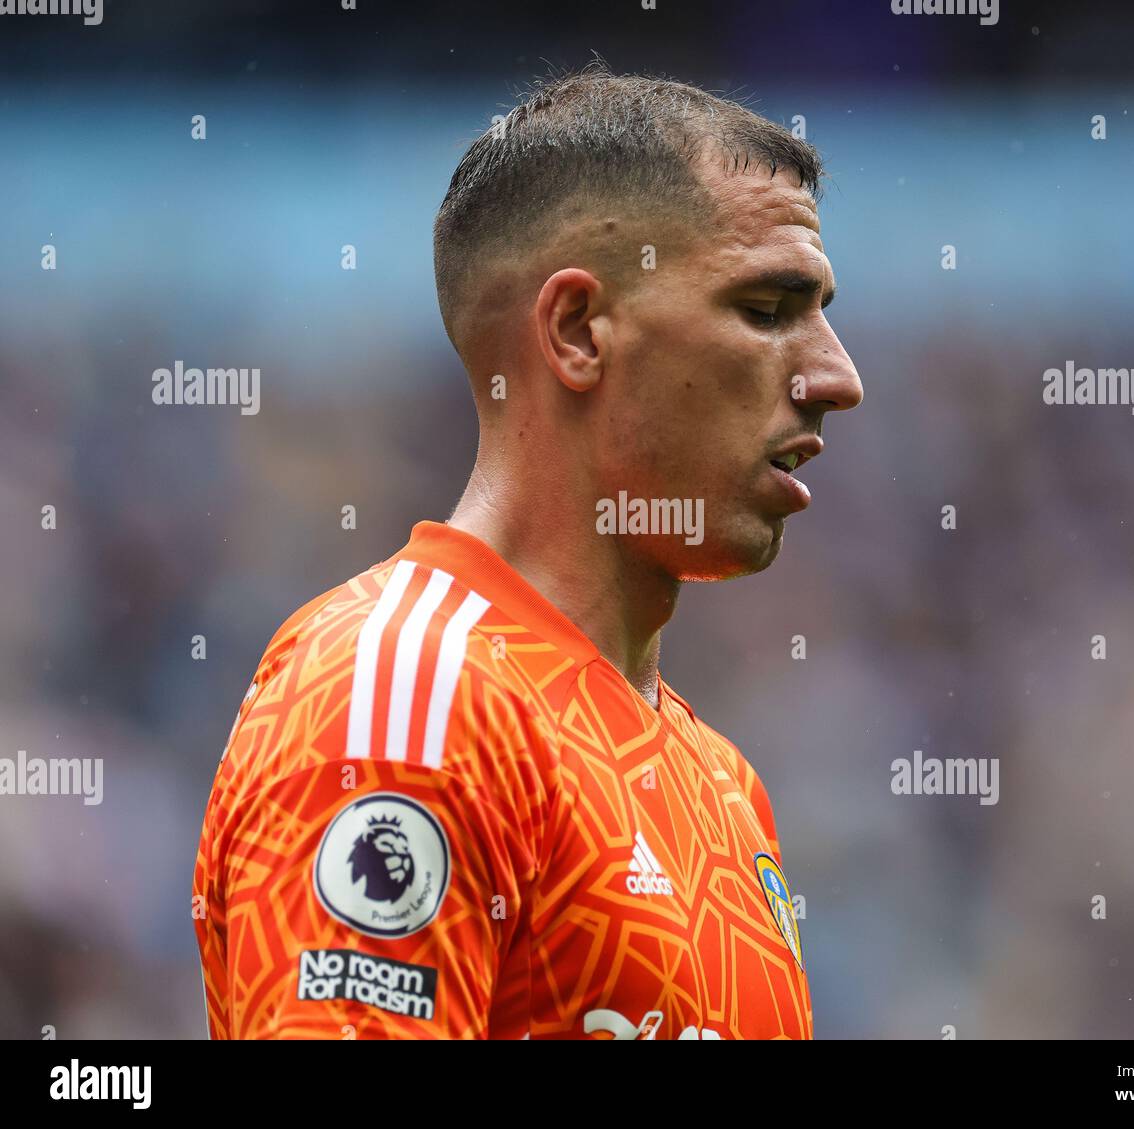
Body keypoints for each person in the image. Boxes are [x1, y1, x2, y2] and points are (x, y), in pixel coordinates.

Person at [193, 62, 862, 1040]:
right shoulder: (405, 707)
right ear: (578, 331)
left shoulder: (724, 786)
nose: (835, 378)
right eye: (766, 311)